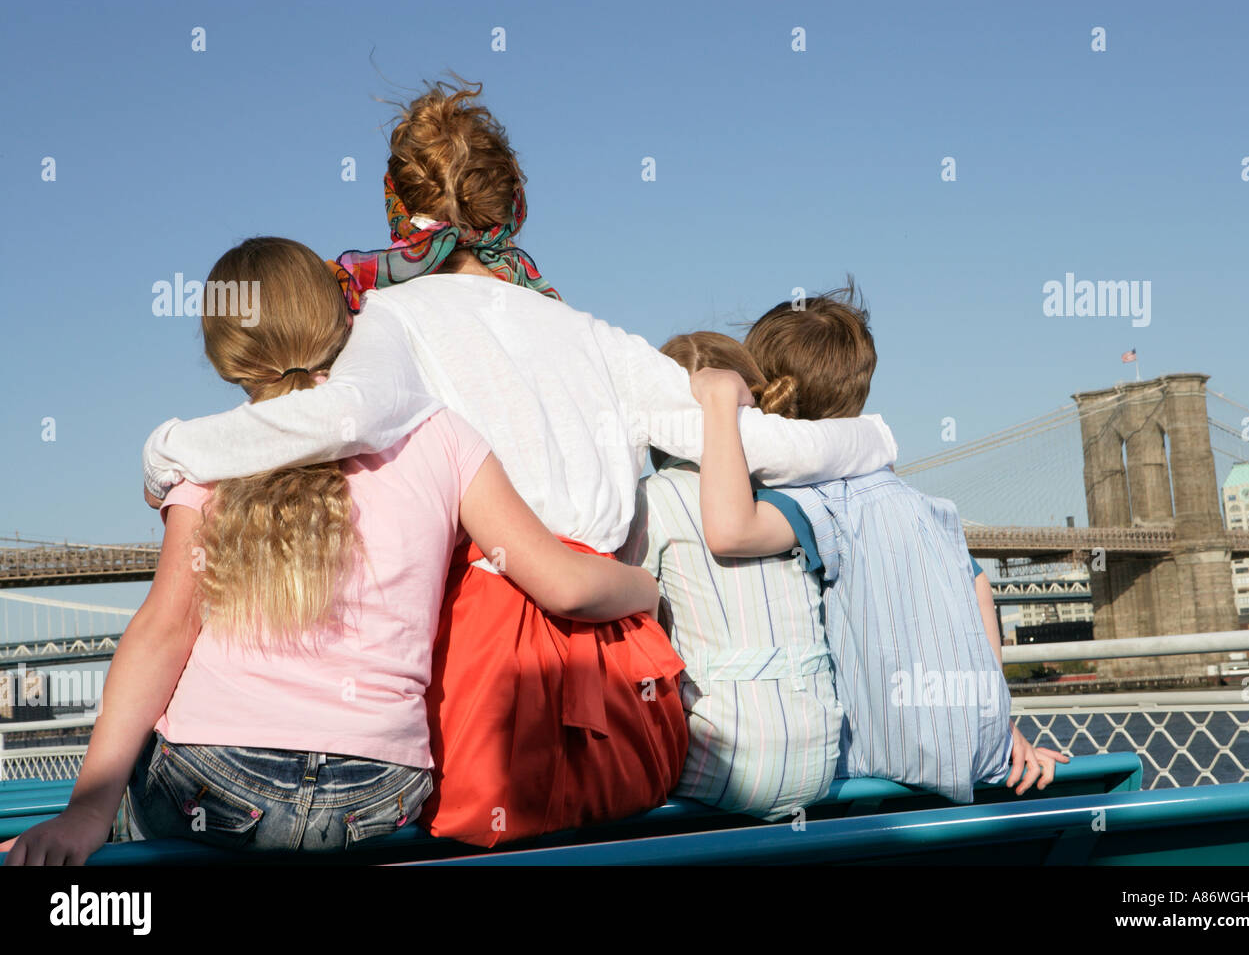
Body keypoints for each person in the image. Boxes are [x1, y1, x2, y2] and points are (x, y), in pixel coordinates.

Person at [135, 81, 901, 843]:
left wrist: (172, 450)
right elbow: (756, 440)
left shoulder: (389, 320)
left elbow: (338, 418)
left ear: (399, 209)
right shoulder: (590, 335)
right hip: (622, 672)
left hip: (488, 680)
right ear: (512, 210)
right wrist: (876, 442)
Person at [3, 237, 662, 865]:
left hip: (218, 780)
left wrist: (86, 813)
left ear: (222, 354)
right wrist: (644, 587)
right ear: (343, 323)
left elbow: (162, 632)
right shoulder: (440, 433)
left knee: (126, 818)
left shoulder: (208, 460)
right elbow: (564, 586)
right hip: (379, 791)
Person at [688, 283, 1069, 803]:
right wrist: (997, 726)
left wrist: (716, 404)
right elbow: (980, 591)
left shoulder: (822, 501)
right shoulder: (931, 509)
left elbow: (730, 531)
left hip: (880, 770)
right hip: (982, 755)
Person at [619, 333, 842, 821]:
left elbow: (628, 625)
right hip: (820, 759)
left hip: (720, 774)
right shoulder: (796, 494)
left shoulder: (652, 498)